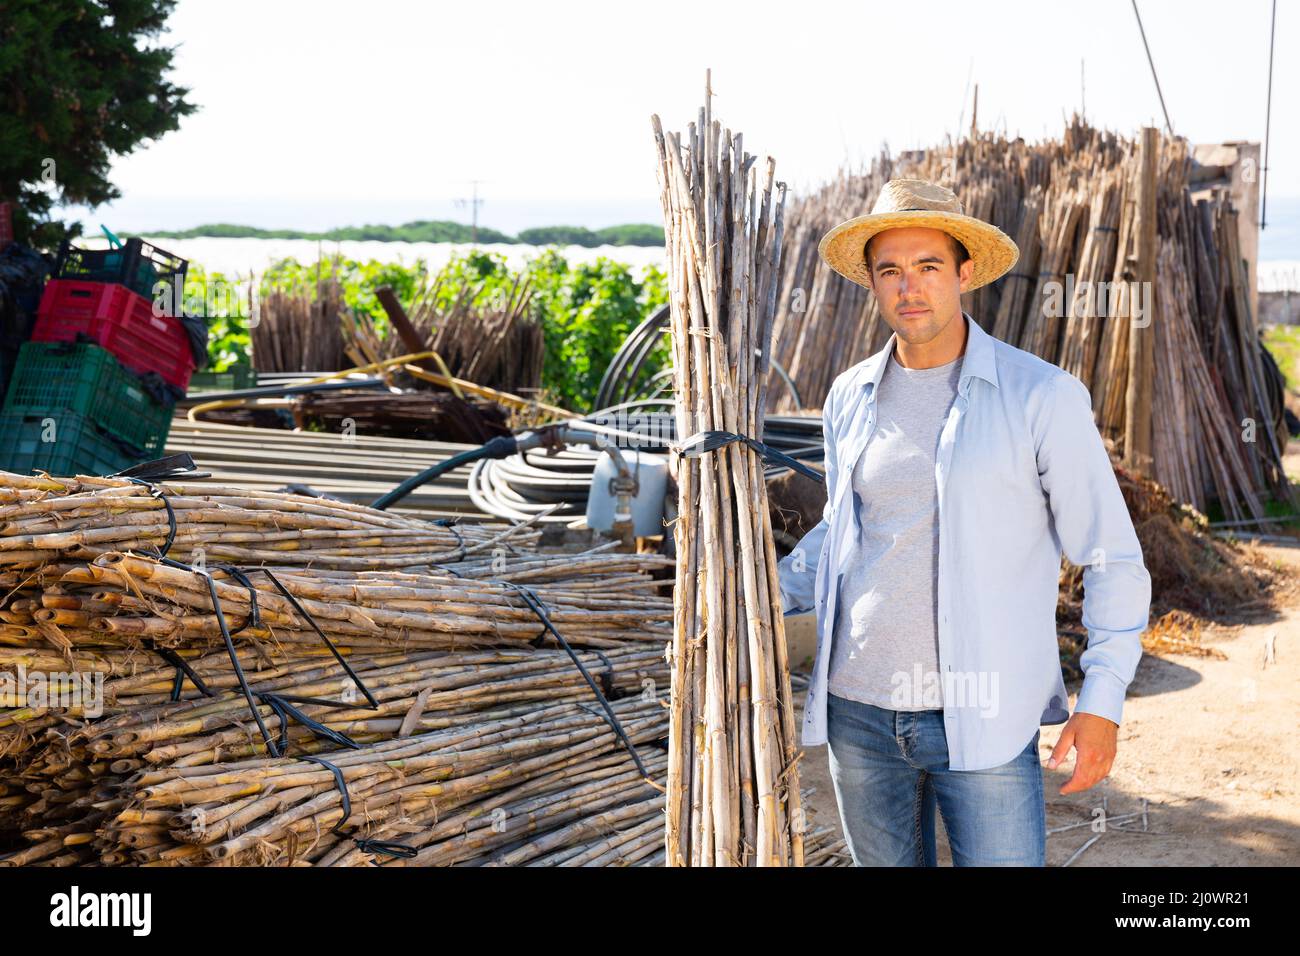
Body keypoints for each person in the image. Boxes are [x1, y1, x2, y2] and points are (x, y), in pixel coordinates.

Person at [776, 178, 1151, 866]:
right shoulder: (849, 394)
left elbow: (1110, 557)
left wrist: (1102, 700)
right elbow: (846, 530)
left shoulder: (1041, 396)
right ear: (872, 283)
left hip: (982, 715)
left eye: (927, 267)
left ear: (965, 273)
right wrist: (763, 590)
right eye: (889, 270)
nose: (908, 287)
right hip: (857, 714)